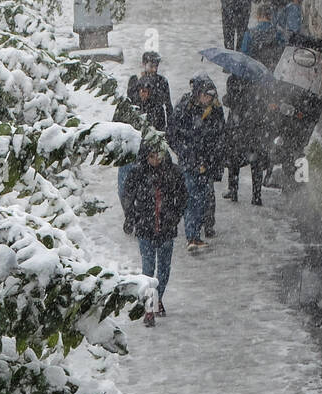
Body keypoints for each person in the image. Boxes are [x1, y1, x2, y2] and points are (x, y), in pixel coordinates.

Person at [123, 135, 187, 326]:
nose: (155, 160)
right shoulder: (138, 174)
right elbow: (128, 196)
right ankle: (150, 307)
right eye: (152, 156)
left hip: (166, 228)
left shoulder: (173, 173)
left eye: (158, 156)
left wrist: (174, 217)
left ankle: (157, 298)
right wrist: (132, 217)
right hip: (145, 228)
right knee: (149, 270)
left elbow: (183, 197)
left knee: (164, 269)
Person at [115, 52, 173, 232]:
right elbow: (117, 121)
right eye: (150, 64)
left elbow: (166, 111)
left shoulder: (160, 90)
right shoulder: (132, 90)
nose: (153, 68)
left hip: (147, 149)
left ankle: (136, 216)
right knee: (125, 186)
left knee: (143, 186)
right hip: (130, 148)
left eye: (156, 65)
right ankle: (130, 215)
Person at [167, 74, 225, 252]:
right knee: (191, 198)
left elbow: (221, 134)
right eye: (205, 95)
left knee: (203, 199)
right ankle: (192, 235)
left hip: (207, 162)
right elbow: (171, 134)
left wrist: (215, 156)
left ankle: (196, 234)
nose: (207, 99)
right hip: (190, 162)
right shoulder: (185, 108)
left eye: (210, 96)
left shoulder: (215, 111)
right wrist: (185, 152)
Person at [220, 75, 269, 206]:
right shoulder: (259, 81)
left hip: (238, 127)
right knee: (255, 162)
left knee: (234, 159)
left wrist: (226, 99)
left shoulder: (233, 79)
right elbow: (264, 104)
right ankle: (256, 195)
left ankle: (233, 190)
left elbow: (229, 100)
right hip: (254, 128)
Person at [239, 3, 283, 71]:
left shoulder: (249, 33)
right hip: (272, 70)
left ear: (258, 16)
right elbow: (281, 52)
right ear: (271, 16)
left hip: (254, 71)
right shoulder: (278, 33)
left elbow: (244, 55)